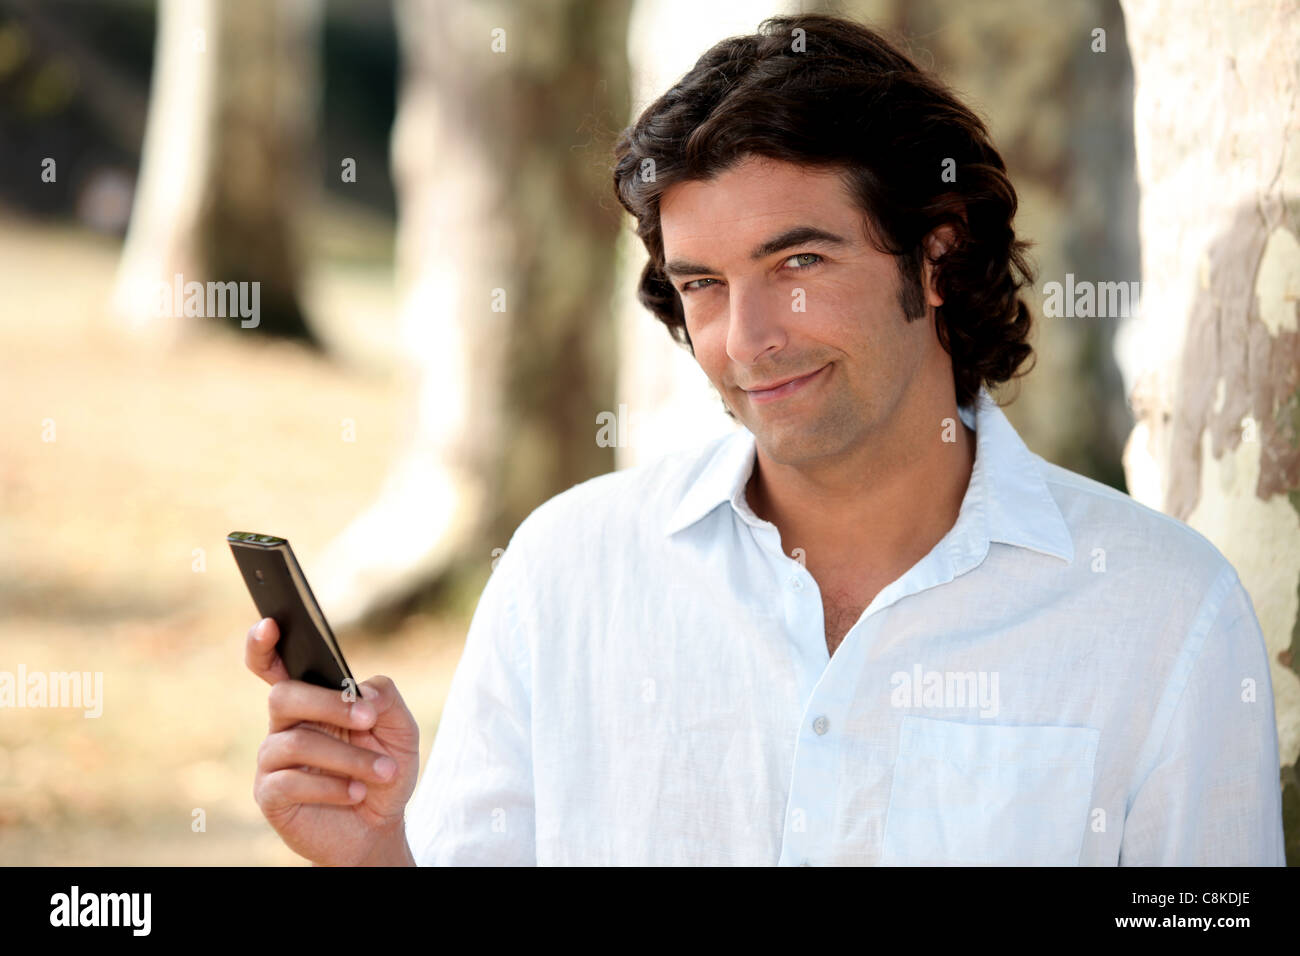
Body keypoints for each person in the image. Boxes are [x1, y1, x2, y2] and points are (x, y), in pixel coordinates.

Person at [245, 12, 1286, 866]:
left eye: (798, 263)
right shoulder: (565, 573)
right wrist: (375, 853)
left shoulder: (1160, 611)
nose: (745, 340)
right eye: (703, 283)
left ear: (934, 256)